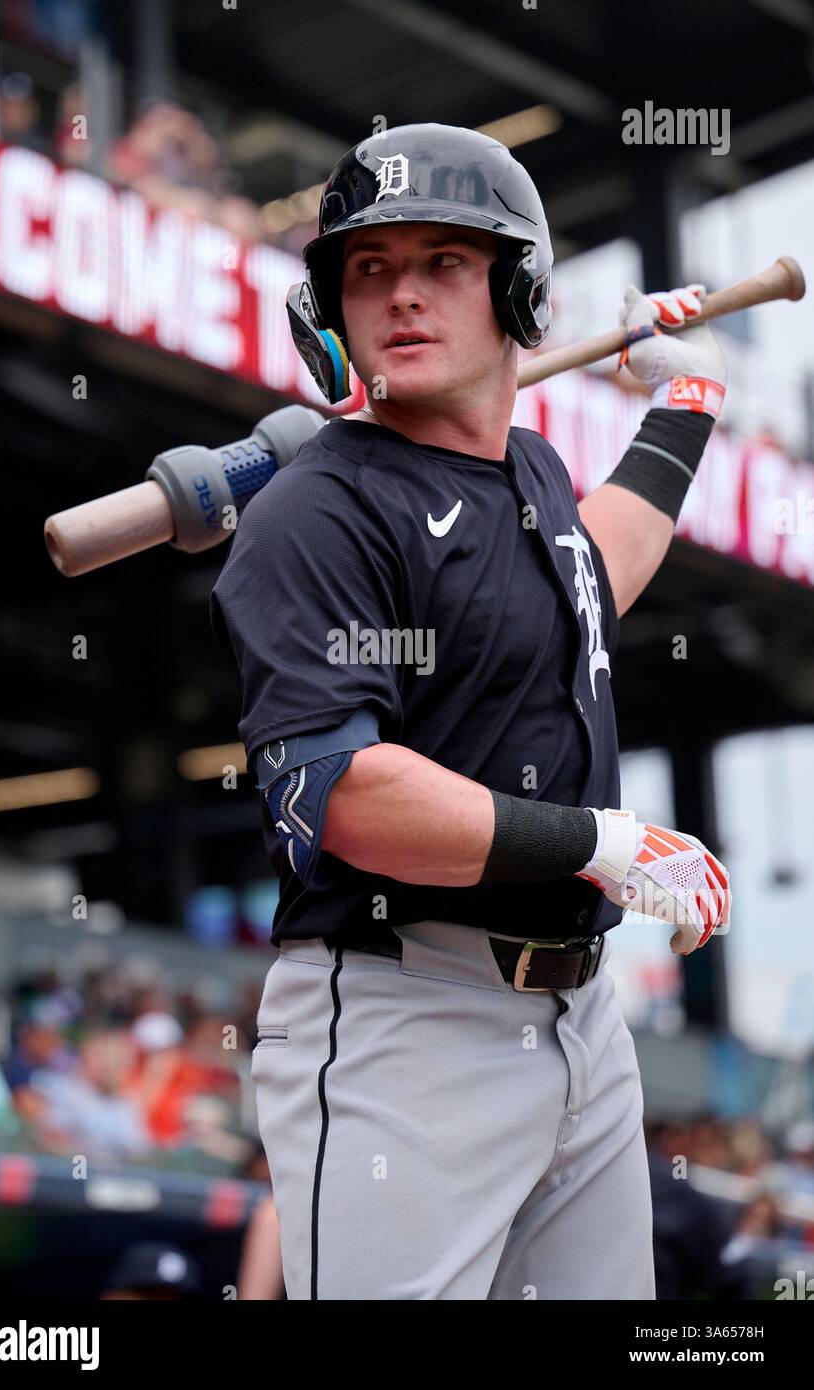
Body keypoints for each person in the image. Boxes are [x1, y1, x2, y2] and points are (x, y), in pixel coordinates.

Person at [210, 123, 732, 1300]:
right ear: (328, 312)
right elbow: (343, 792)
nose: (401, 295)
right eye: (369, 268)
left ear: (518, 291)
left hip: (579, 1019)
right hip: (406, 1010)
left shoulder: (533, 472)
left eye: (444, 261)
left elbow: (586, 583)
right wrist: (601, 842)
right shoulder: (316, 514)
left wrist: (683, 407)